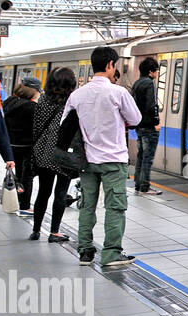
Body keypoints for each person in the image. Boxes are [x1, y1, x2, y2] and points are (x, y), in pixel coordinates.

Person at [59, 46, 141, 268]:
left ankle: (85, 252)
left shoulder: (77, 95)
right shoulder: (118, 93)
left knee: (87, 206)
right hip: (114, 160)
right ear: (110, 66)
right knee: (115, 207)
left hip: (87, 160)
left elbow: (65, 125)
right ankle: (111, 253)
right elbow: (135, 118)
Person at [30, 68, 77, 242]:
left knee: (43, 191)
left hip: (44, 152)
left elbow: (36, 127)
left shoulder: (42, 101)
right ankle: (54, 232)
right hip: (64, 151)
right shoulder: (72, 102)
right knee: (61, 192)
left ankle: (35, 230)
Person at [4, 79, 40, 215]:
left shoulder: (9, 102)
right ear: (33, 91)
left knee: (19, 174)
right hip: (27, 146)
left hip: (12, 145)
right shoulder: (31, 107)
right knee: (27, 176)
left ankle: (17, 201)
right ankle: (25, 206)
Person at [131, 57, 163, 197]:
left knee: (141, 156)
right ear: (151, 72)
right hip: (149, 126)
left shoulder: (137, 83)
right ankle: (145, 187)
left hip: (139, 125)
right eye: (156, 71)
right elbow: (152, 105)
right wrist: (156, 122)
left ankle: (138, 185)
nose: (157, 74)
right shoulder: (150, 84)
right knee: (148, 158)